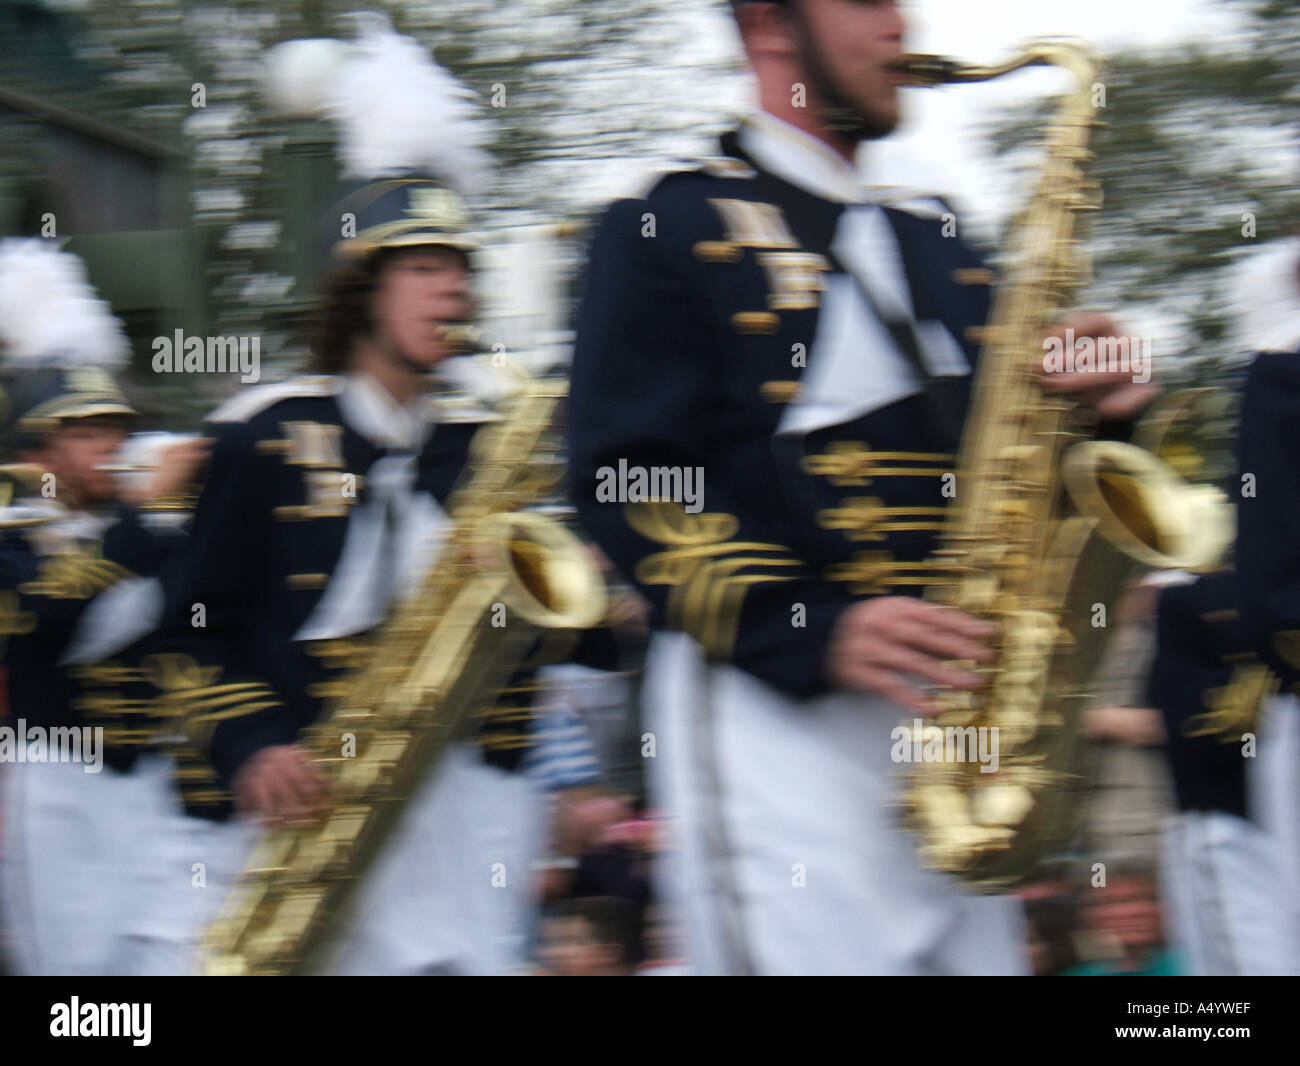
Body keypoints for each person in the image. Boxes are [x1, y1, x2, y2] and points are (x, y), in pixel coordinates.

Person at [567, 0, 1155, 975]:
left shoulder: (938, 241)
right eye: (866, 1)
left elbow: (1010, 482)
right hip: (772, 709)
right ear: (768, 25)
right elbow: (625, 477)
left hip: (959, 723)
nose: (900, 24)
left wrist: (1097, 414)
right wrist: (812, 624)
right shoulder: (660, 223)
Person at [157, 19, 548, 975]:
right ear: (360, 288)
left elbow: (552, 630)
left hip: (475, 804)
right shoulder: (269, 438)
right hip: (321, 800)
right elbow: (189, 631)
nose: (449, 290)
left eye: (457, 269)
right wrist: (251, 746)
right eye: (421, 267)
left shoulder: (486, 443)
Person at [0, 239, 208, 975]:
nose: (111, 448)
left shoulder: (148, 529)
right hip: (55, 786)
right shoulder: (11, 542)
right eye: (84, 433)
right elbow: (46, 625)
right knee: (77, 997)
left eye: (112, 429)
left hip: (151, 778)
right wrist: (143, 514)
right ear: (40, 454)